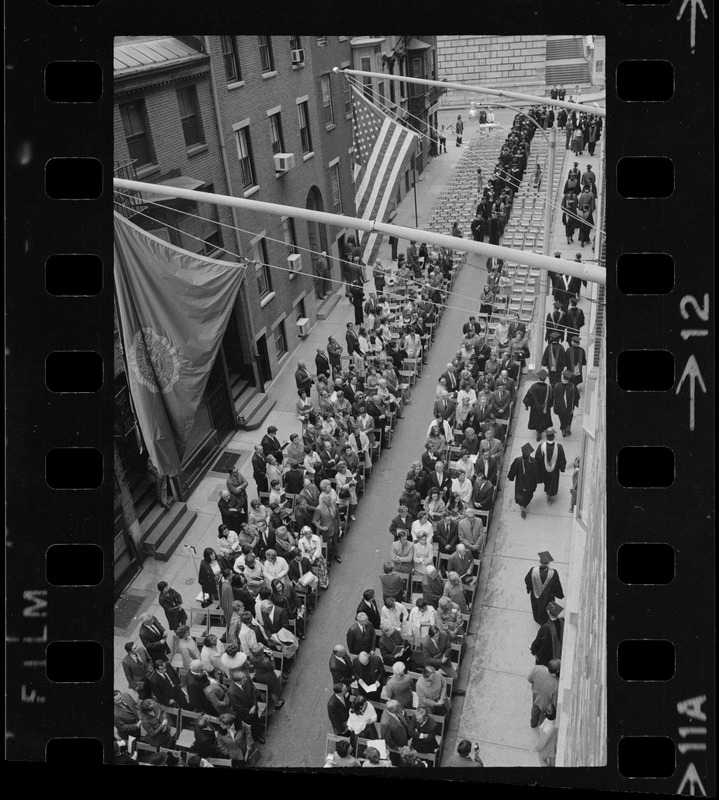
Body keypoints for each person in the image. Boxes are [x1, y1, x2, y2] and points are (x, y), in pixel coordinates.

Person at [525, 551, 565, 625]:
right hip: (548, 596)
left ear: (540, 561)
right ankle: (554, 620)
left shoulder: (533, 570)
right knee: (552, 605)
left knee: (537, 607)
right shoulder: (553, 573)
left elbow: (527, 580)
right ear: (548, 563)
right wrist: (559, 594)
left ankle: (539, 620)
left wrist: (529, 588)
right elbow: (556, 585)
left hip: (535, 595)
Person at [228, 667, 266, 744]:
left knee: (256, 721)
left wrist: (254, 705)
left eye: (245, 677)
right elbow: (237, 706)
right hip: (245, 713)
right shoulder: (231, 692)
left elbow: (254, 691)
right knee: (250, 725)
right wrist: (249, 710)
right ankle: (255, 736)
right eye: (244, 679)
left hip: (253, 706)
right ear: (238, 682)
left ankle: (258, 733)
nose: (246, 679)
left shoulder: (247, 678)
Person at [507, 442, 540, 519]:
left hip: (530, 483)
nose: (525, 454)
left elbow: (537, 473)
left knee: (528, 497)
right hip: (520, 483)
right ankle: (523, 509)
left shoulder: (534, 462)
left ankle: (524, 505)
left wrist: (537, 481)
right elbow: (513, 470)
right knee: (520, 498)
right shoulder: (518, 461)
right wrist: (511, 476)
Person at [535, 428, 567, 504]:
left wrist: (538, 469)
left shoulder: (541, 446)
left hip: (544, 468)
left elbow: (537, 459)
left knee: (547, 481)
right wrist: (562, 468)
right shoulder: (559, 447)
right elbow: (562, 458)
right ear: (554, 437)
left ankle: (548, 494)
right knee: (553, 482)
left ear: (546, 437)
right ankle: (550, 494)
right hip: (555, 469)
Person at [523, 369, 554, 442]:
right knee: (544, 421)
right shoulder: (549, 388)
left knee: (537, 420)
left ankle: (539, 434)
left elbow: (528, 397)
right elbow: (551, 399)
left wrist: (527, 405)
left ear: (539, 378)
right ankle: (545, 433)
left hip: (535, 409)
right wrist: (548, 406)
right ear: (545, 379)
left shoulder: (533, 387)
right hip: (545, 409)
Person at [528, 658, 560, 728]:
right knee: (543, 715)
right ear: (557, 671)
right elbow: (554, 701)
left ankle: (533, 723)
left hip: (535, 695)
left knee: (534, 709)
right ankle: (540, 726)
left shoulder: (537, 668)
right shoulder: (556, 685)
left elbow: (529, 679)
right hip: (546, 703)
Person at [530, 601, 564, 666]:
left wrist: (533, 649)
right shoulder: (562, 621)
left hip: (549, 655)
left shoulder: (545, 627)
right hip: (560, 651)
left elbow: (538, 641)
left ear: (548, 612)